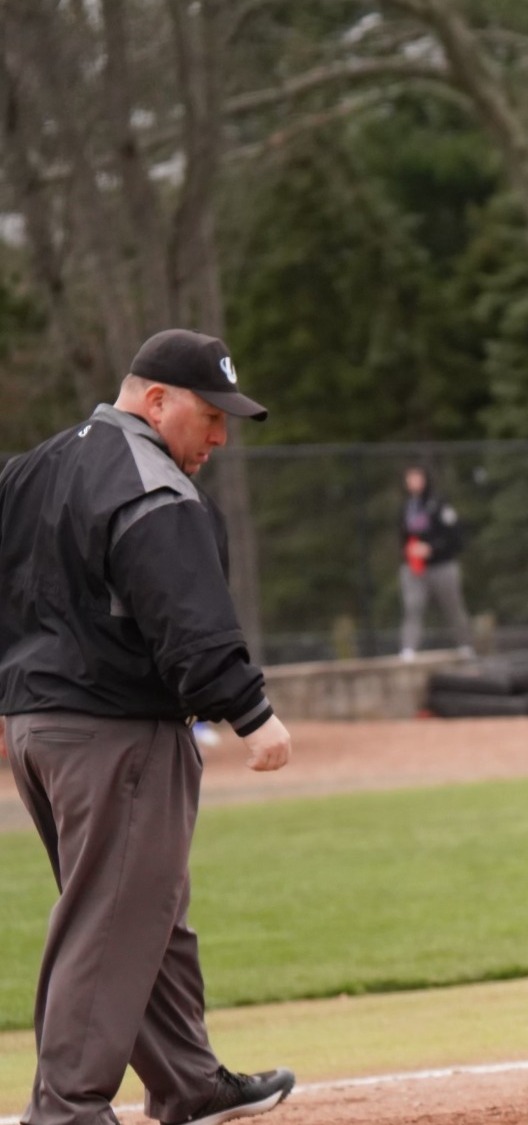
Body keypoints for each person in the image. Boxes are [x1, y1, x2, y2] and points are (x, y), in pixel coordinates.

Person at [0, 328, 298, 1125]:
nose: (220, 437)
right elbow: (185, 609)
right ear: (156, 400)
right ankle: (66, 1109)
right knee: (112, 920)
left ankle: (189, 1082)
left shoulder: (33, 468)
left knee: (144, 909)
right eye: (211, 415)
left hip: (38, 726)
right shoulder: (150, 480)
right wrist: (250, 710)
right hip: (115, 729)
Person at [397, 465, 474, 660]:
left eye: (417, 477)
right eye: (410, 478)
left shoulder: (439, 504)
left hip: (442, 565)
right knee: (413, 607)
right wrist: (409, 551)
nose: (413, 482)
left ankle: (465, 646)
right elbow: (403, 537)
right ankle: (408, 649)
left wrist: (432, 548)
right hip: (415, 567)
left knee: (453, 607)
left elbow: (455, 538)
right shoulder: (407, 507)